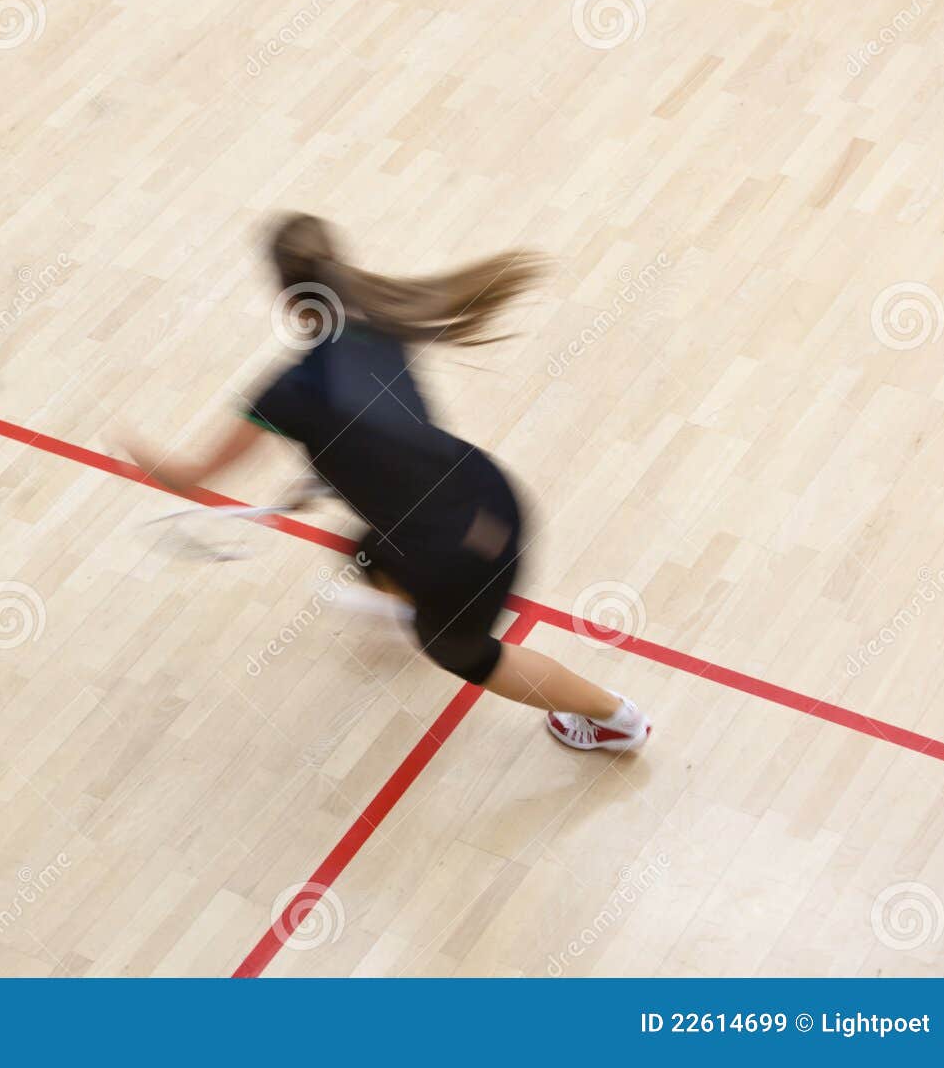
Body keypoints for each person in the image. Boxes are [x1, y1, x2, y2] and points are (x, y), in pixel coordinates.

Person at [124, 214, 650, 752]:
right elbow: (385, 433)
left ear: (287, 302)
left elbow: (188, 478)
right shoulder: (379, 327)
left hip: (459, 556)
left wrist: (133, 449)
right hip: (490, 496)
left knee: (460, 651)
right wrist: (324, 483)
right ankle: (423, 601)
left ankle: (615, 718)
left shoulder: (285, 394)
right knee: (367, 555)